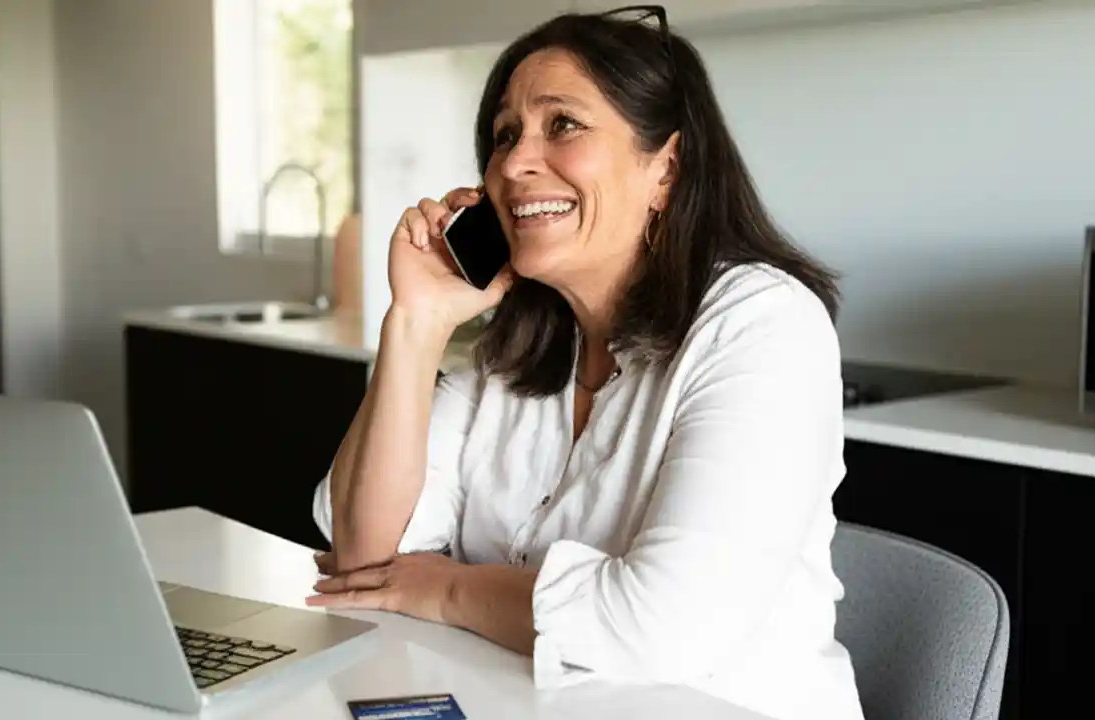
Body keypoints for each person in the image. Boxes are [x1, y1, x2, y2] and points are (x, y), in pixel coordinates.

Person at [306, 7, 864, 719]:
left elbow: (662, 629)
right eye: (505, 135)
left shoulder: (763, 323)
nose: (513, 164)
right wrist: (415, 321)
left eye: (561, 125)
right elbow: (364, 559)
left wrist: (449, 588)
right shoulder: (518, 349)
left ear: (667, 164)